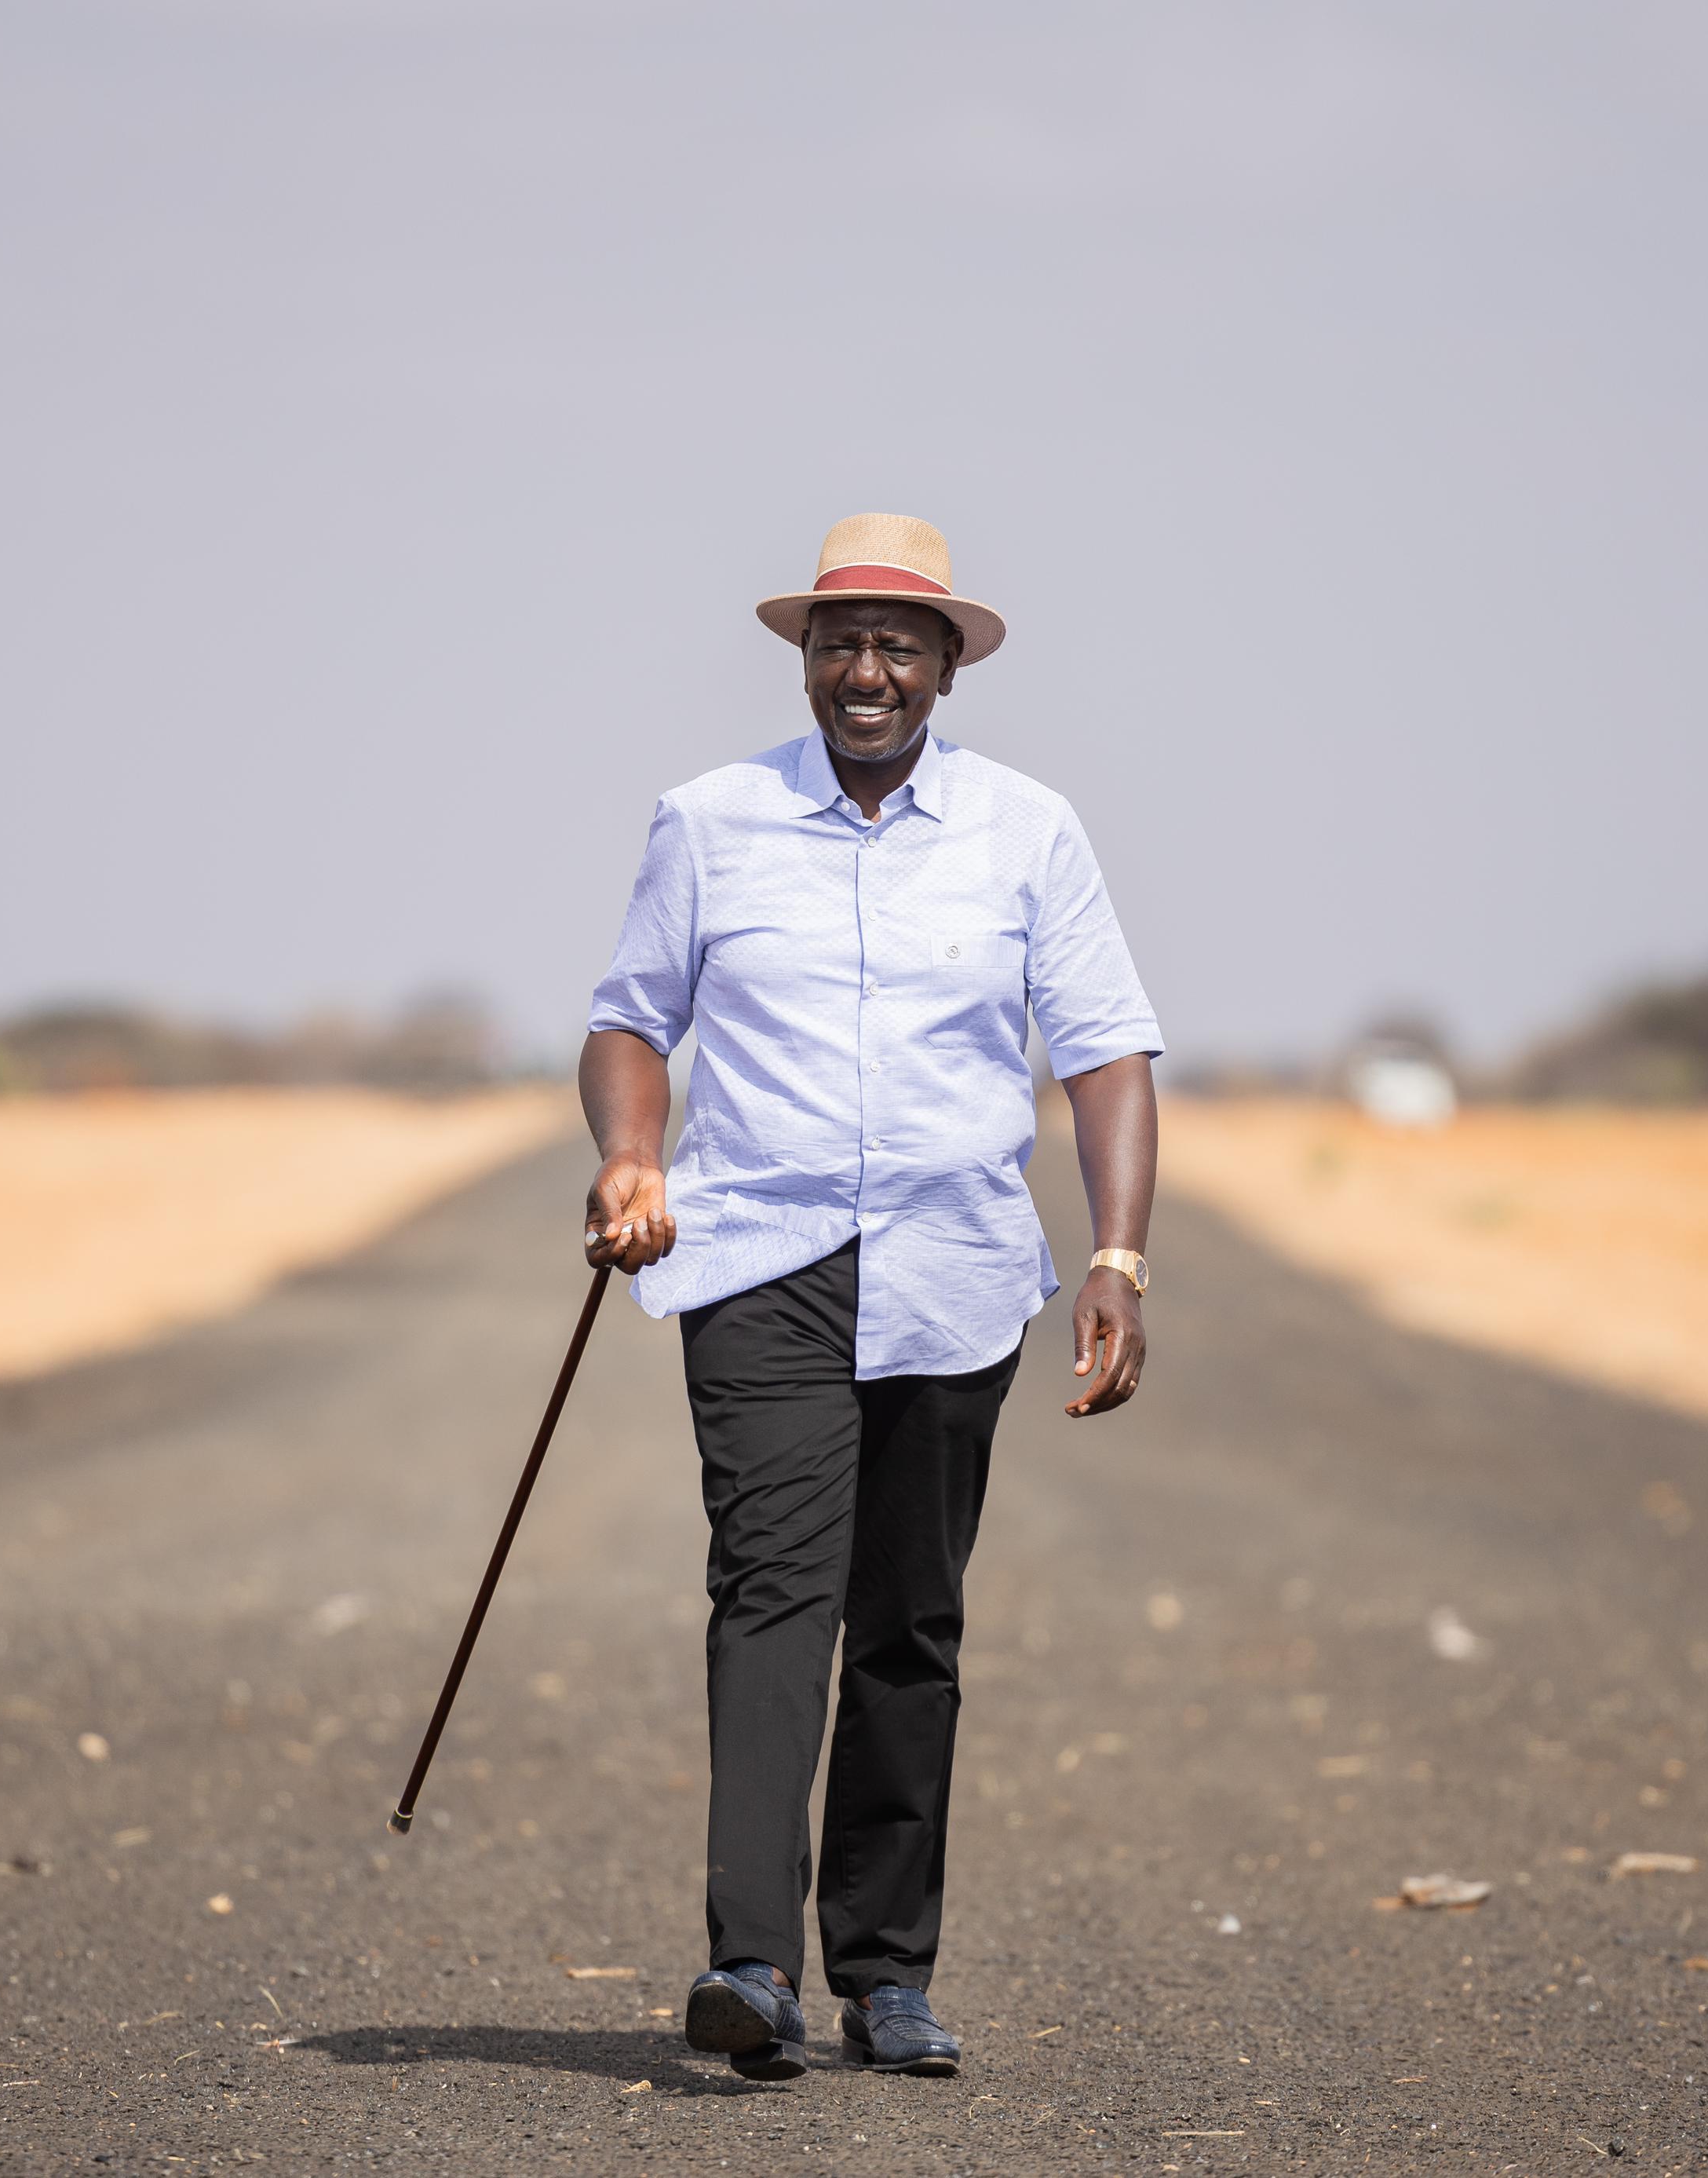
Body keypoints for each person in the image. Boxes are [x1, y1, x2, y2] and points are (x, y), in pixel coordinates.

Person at [581, 512, 1162, 2079]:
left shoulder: (1027, 832)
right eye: (841, 638)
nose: (867, 667)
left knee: (909, 1618)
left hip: (956, 1267)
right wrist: (633, 1159)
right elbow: (630, 1019)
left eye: (901, 643)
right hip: (757, 1258)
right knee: (772, 1590)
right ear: (802, 655)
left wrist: (1115, 1254)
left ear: (947, 666)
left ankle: (887, 1974)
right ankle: (750, 1961)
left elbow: (1103, 1048)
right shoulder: (708, 822)